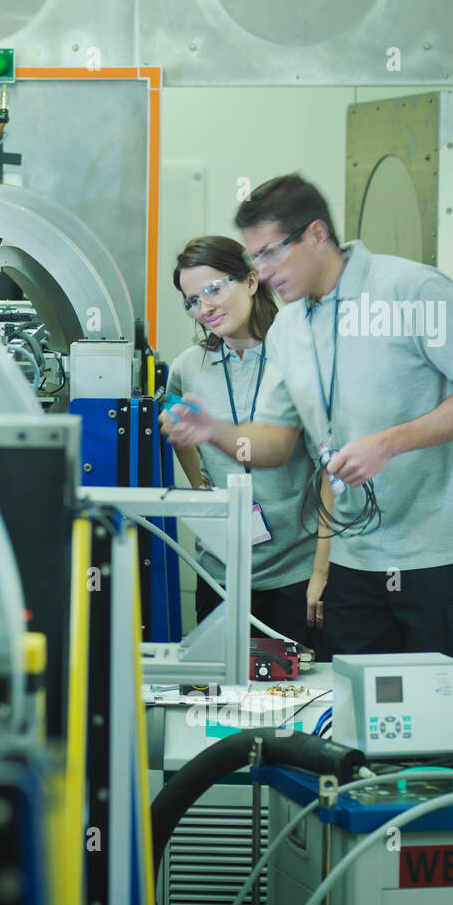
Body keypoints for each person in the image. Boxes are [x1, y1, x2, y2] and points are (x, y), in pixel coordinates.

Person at [162, 174, 453, 734]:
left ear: (316, 235)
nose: (265, 272)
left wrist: (391, 441)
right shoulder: (290, 332)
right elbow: (275, 444)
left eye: (271, 253)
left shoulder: (411, 291)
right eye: (255, 257)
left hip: (438, 555)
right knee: (357, 735)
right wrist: (215, 430)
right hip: (355, 561)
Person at [166, 235, 331, 656]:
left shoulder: (297, 358)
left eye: (213, 289)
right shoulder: (189, 368)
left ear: (253, 281)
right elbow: (178, 428)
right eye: (191, 300)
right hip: (219, 574)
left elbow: (330, 468)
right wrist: (200, 485)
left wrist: (322, 572)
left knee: (293, 702)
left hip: (294, 574)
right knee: (221, 703)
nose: (203, 308)